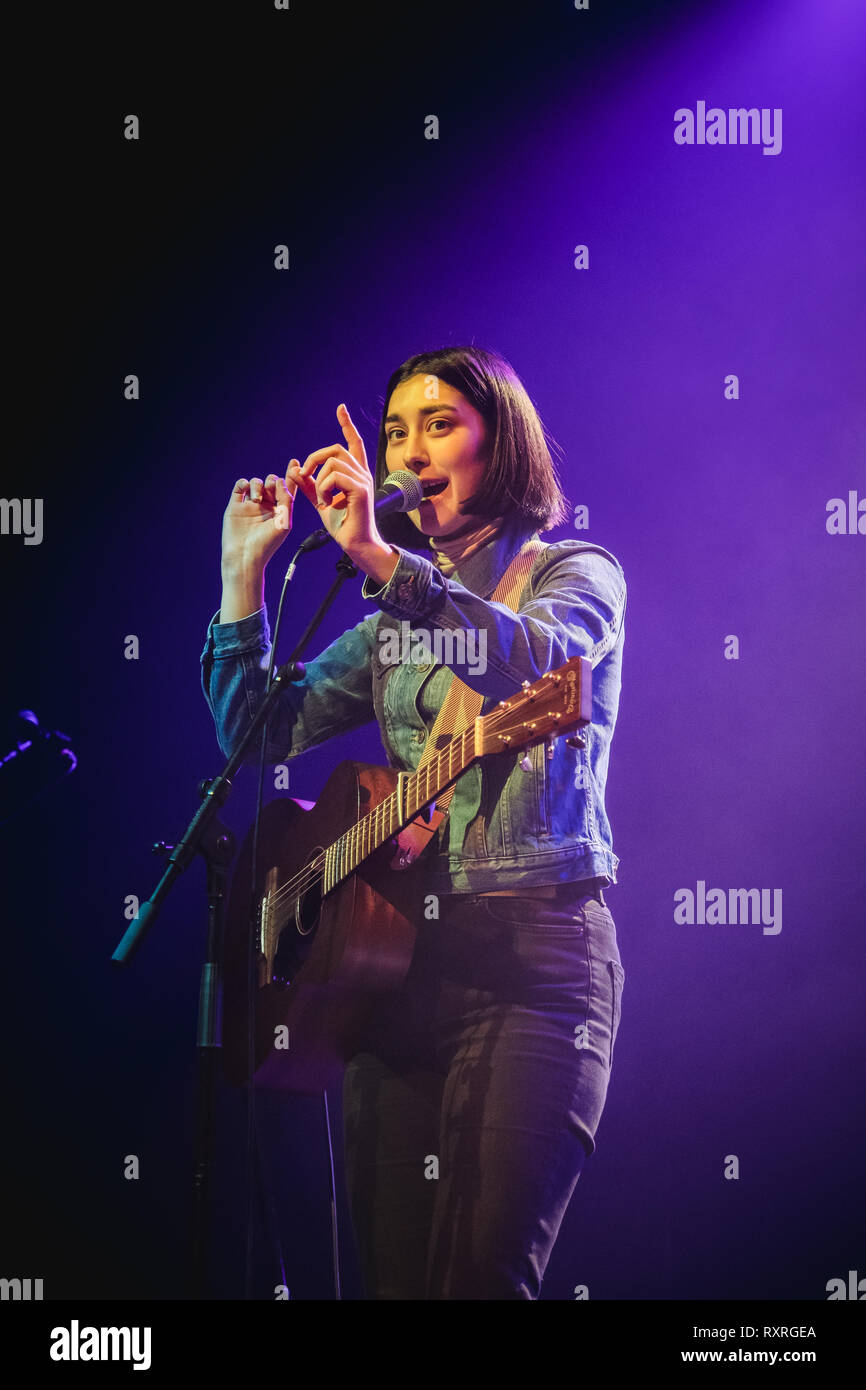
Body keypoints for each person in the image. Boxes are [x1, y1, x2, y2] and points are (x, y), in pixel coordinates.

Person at [201, 345, 627, 1300]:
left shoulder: (575, 571)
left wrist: (385, 563)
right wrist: (242, 582)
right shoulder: (392, 619)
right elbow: (258, 734)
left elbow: (540, 662)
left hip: (533, 964)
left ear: (500, 443)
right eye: (395, 431)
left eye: (439, 425)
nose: (408, 452)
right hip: (392, 980)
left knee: (478, 1283)